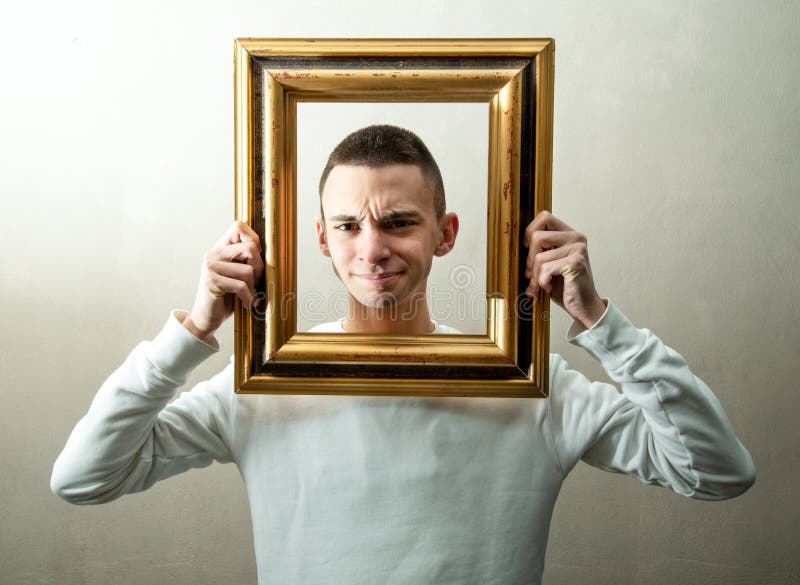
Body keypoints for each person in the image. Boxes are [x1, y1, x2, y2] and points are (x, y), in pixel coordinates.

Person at [51, 125, 755, 585]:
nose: (372, 247)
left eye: (399, 222)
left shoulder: (529, 384)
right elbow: (82, 477)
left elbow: (719, 471)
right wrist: (193, 330)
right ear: (321, 238)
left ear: (445, 233)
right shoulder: (264, 384)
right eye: (349, 225)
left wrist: (600, 321)